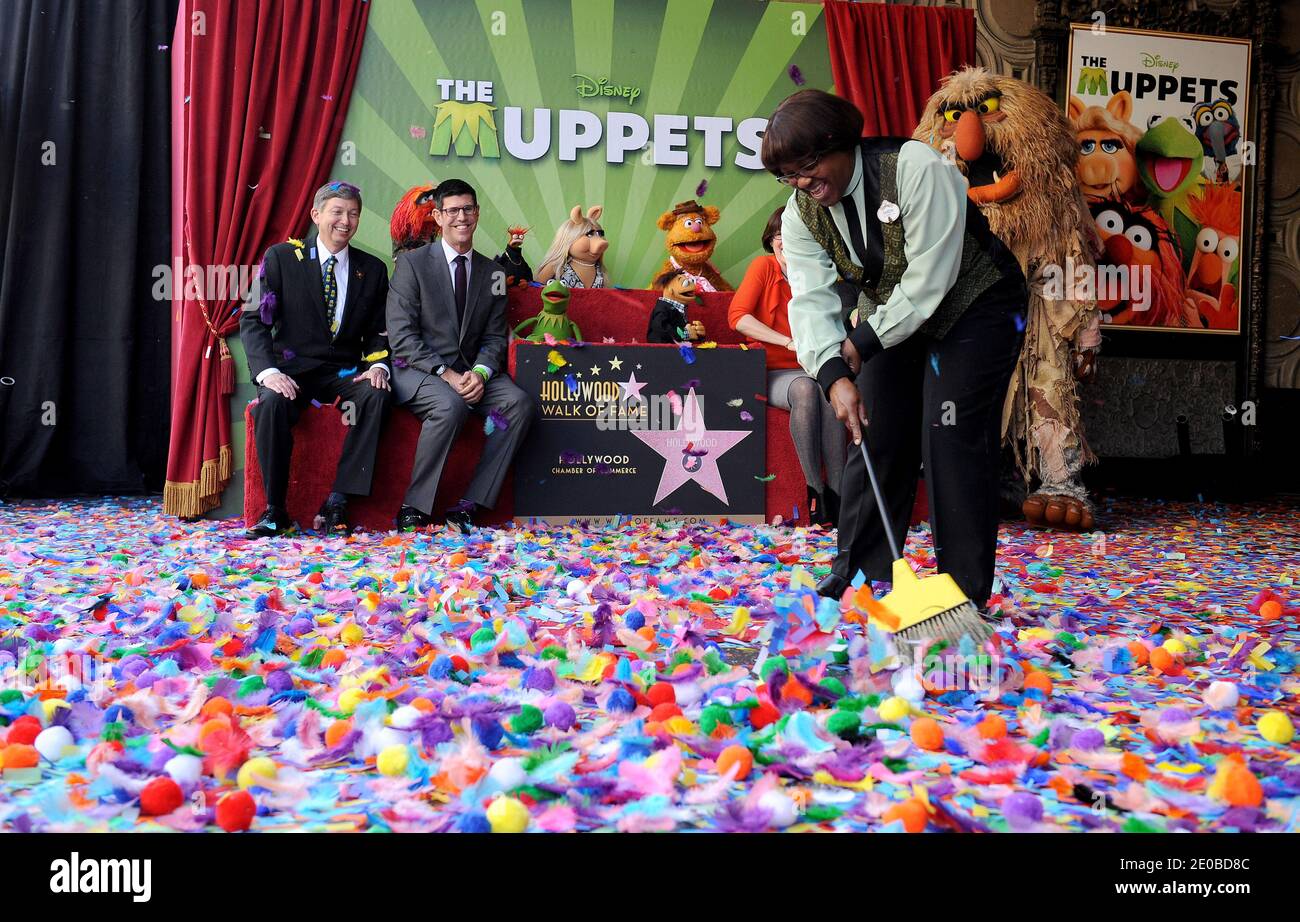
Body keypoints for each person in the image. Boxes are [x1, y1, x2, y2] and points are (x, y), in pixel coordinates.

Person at [762, 89, 1027, 608]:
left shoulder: (914, 167)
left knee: (949, 433)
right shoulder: (799, 215)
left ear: (843, 144)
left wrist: (858, 345)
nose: (801, 184)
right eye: (788, 174)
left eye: (809, 166)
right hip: (890, 318)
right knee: (877, 428)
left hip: (976, 304)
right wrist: (833, 373)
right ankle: (860, 574)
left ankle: (960, 591)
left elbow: (930, 277)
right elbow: (811, 301)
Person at [240, 181, 392, 538]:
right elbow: (253, 319)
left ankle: (339, 498)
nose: (346, 220)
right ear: (316, 215)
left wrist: (378, 366)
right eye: (337, 212)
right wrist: (267, 372)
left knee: (377, 394)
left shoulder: (372, 269)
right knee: (272, 404)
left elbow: (378, 331)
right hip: (291, 370)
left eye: (353, 213)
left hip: (344, 371)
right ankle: (275, 510)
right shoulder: (280, 258)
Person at [387, 179, 537, 532]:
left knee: (518, 404)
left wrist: (482, 373)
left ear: (477, 214)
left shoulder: (494, 273)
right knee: (449, 405)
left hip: (472, 371)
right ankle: (415, 506)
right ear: (438, 217)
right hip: (419, 369)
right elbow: (402, 337)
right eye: (452, 210)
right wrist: (447, 374)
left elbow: (495, 335)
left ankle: (470, 504)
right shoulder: (411, 265)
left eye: (467, 209)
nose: (461, 217)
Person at [728, 206, 845, 526]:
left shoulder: (816, 272)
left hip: (814, 366)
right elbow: (738, 318)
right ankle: (815, 491)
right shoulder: (763, 267)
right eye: (778, 235)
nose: (784, 241)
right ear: (771, 240)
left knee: (828, 389)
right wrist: (787, 341)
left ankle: (838, 495)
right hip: (772, 369)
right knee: (807, 388)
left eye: (791, 234)